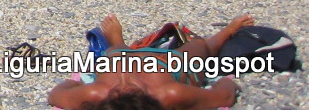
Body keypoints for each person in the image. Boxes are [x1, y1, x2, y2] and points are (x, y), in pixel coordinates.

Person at [46, 13, 254, 110]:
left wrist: (75, 81)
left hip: (149, 61)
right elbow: (223, 95)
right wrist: (226, 78)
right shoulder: (169, 95)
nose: (125, 85)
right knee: (202, 46)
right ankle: (228, 31)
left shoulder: (169, 95)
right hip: (160, 62)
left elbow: (56, 95)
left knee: (200, 47)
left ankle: (118, 41)